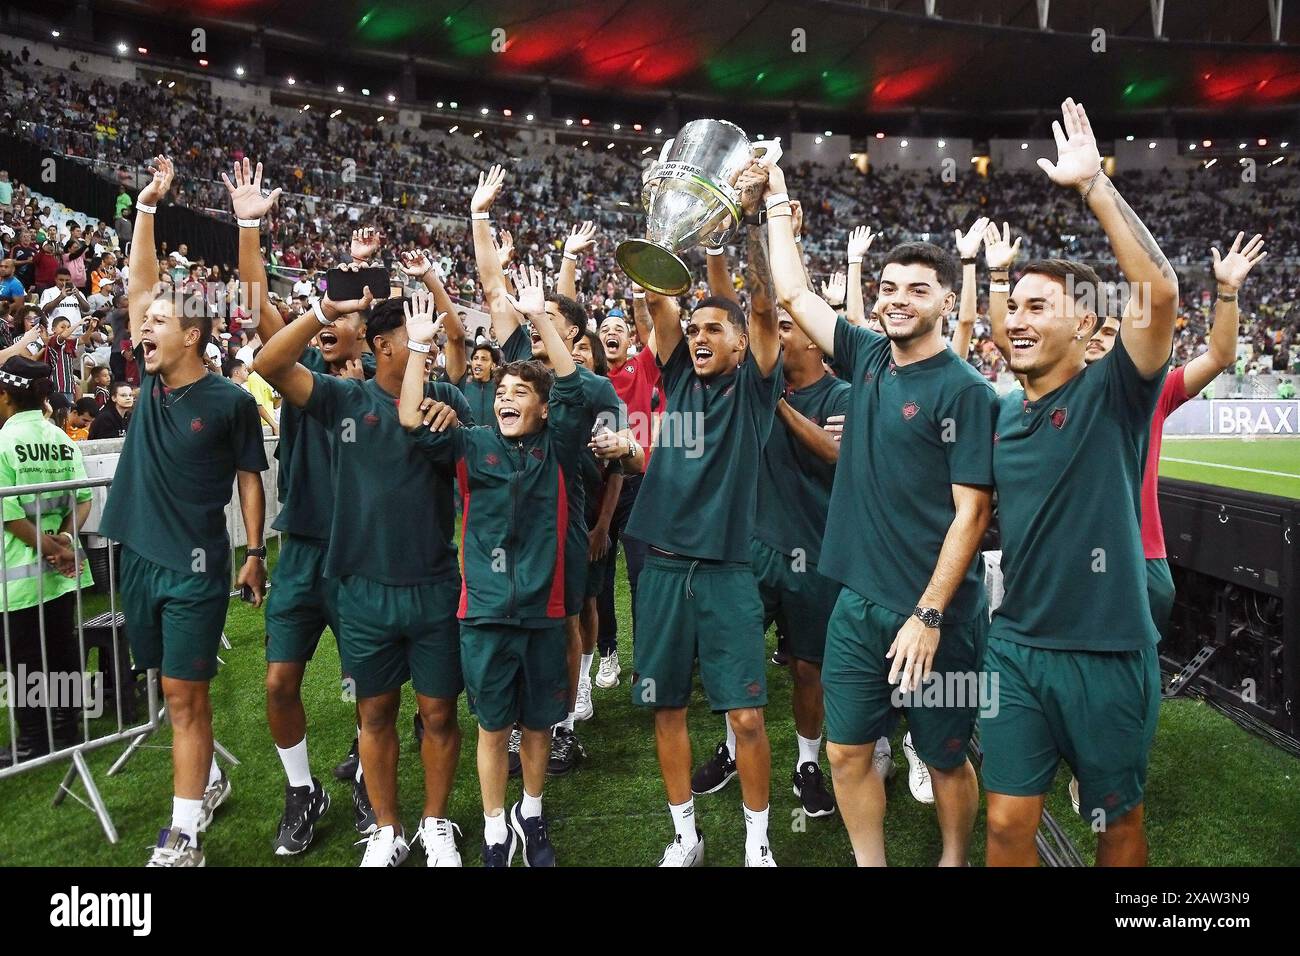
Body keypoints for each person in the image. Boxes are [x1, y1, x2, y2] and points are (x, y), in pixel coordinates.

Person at [765, 157, 995, 867]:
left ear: (946, 301)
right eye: (889, 288)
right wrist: (776, 201)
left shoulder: (966, 390)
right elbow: (797, 292)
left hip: (937, 617)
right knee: (845, 749)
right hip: (858, 605)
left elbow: (972, 514)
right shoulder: (866, 356)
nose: (897, 300)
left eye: (916, 290)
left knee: (946, 756)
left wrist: (928, 613)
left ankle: (954, 859)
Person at [981, 99, 1179, 867]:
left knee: (1114, 826)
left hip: (1108, 650)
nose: (1016, 320)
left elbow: (1157, 293)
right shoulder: (1000, 413)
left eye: (1038, 306)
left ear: (1089, 331)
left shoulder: (1115, 394)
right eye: (1013, 307)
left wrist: (1096, 186)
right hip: (1017, 646)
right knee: (1005, 826)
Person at [254, 279, 471, 868]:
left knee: (439, 713)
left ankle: (434, 822)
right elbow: (269, 362)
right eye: (411, 329)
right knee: (373, 714)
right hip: (362, 590)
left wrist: (446, 405)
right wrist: (323, 310)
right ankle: (387, 828)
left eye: (427, 325)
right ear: (381, 344)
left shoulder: (447, 399)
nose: (422, 335)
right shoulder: (342, 400)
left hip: (432, 583)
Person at [98, 156, 269, 868]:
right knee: (169, 692)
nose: (146, 326)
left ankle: (183, 837)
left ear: (193, 335)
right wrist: (144, 209)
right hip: (136, 558)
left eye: (161, 321)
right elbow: (139, 284)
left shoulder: (230, 401)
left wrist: (255, 553)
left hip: (197, 568)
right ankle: (205, 784)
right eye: (148, 319)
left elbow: (250, 480)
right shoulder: (148, 377)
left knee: (184, 693)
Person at [613, 160, 782, 867]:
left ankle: (758, 840)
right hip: (659, 563)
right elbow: (659, 298)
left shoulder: (755, 390)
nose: (704, 335)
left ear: (743, 346)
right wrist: (662, 209)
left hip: (726, 571)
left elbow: (767, 307)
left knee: (744, 714)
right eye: (699, 327)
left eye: (720, 327)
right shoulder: (676, 371)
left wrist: (748, 221)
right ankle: (686, 833)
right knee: (667, 707)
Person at [397, 267, 588, 867]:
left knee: (536, 725)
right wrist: (420, 349)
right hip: (481, 612)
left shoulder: (559, 446)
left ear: (542, 407)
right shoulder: (471, 442)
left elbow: (575, 386)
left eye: (519, 393)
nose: (506, 398)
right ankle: (494, 828)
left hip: (544, 612)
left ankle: (531, 813)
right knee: (490, 727)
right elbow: (408, 418)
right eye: (500, 392)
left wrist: (537, 317)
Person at [225, 161, 384, 855]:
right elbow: (260, 304)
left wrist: (364, 278)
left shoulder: (388, 385)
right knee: (279, 680)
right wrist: (250, 225)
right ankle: (302, 789)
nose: (330, 321)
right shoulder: (300, 375)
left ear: (369, 336)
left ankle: (364, 775)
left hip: (367, 554)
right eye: (326, 313)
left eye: (347, 315)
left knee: (372, 688)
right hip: (304, 552)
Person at [471, 168, 624, 776]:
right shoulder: (517, 365)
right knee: (508, 625)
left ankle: (557, 723)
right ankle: (510, 727)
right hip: (503, 521)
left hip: (560, 518)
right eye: (534, 318)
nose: (534, 323)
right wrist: (480, 216)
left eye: (549, 319)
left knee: (560, 626)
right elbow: (489, 285)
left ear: (569, 331)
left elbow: (619, 442)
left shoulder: (586, 383)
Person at [688, 279, 851, 820]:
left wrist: (776, 401)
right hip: (753, 549)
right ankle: (733, 747)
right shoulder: (750, 384)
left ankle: (807, 764)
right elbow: (732, 303)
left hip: (818, 553)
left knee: (810, 668)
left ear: (813, 342)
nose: (776, 336)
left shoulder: (844, 396)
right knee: (739, 656)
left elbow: (832, 451)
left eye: (787, 328)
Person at [0, 358, 94, 766]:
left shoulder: (3, 443)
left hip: (18, 576)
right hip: (61, 572)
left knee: (23, 659)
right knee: (60, 647)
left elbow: (10, 514)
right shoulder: (60, 438)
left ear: (5, 396)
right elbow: (84, 499)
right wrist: (65, 541)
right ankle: (67, 726)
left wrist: (50, 548)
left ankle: (35, 739)